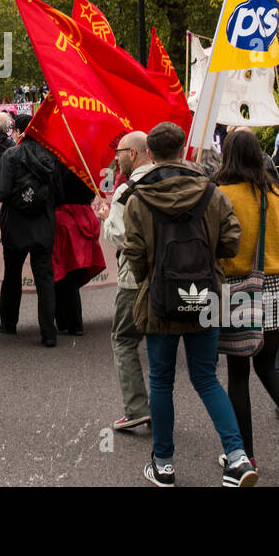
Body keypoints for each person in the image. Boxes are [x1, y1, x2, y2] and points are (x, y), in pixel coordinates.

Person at [121, 123, 256, 487]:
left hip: (159, 301)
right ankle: (238, 457)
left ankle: (163, 464)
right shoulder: (212, 193)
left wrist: (152, 275)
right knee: (207, 379)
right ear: (183, 149)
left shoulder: (138, 197)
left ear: (150, 152)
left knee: (161, 381)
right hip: (206, 298)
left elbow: (133, 252)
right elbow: (232, 241)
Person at [216, 130, 279, 469]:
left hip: (236, 289)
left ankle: (246, 455)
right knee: (269, 368)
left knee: (238, 376)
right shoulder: (276, 195)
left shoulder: (221, 195)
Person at [0, 115, 61, 346]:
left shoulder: (11, 155)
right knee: (45, 277)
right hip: (43, 223)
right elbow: (59, 194)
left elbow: (1, 191)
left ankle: (9, 323)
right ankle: (48, 332)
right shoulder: (51, 156)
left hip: (15, 224)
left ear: (20, 131)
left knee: (12, 274)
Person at [102, 130, 153, 432]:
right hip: (171, 277)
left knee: (123, 339)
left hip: (135, 278)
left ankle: (137, 407)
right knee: (160, 346)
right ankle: (160, 409)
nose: (116, 157)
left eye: (119, 151)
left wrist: (107, 218)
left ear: (133, 154)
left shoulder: (127, 190)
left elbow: (119, 236)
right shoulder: (172, 181)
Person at [52, 165, 106, 337]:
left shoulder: (57, 165)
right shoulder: (84, 165)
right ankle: (72, 322)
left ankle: (68, 322)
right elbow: (91, 193)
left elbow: (55, 193)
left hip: (64, 219)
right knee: (73, 273)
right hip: (84, 216)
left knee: (62, 273)